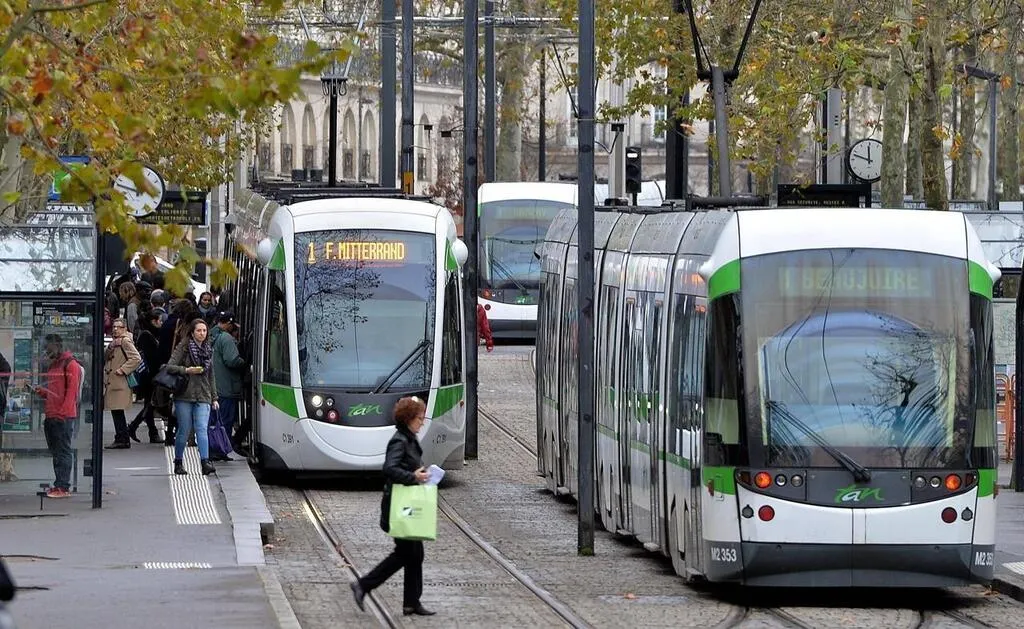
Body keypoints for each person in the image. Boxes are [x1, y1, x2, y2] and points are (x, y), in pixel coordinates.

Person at [351, 396, 435, 617]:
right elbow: (389, 468)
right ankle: (364, 585)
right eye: (419, 418)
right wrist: (413, 477)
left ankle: (411, 602)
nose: (422, 422)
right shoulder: (400, 440)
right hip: (399, 508)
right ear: (408, 419)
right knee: (404, 554)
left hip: (407, 506)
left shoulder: (409, 438)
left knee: (415, 554)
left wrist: (421, 473)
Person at [30, 334, 82, 499]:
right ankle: (59, 484)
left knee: (63, 451)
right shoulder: (54, 365)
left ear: (58, 345)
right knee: (56, 451)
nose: (46, 350)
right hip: (52, 413)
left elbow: (71, 393)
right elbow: (55, 393)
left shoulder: (70, 365)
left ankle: (63, 486)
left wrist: (62, 414)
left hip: (62, 416)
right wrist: (41, 391)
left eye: (48, 347)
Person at [165, 318, 218, 476]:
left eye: (204, 330)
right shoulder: (184, 347)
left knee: (202, 428)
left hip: (203, 394)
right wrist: (186, 370)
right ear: (192, 332)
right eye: (198, 331)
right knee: (184, 429)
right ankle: (178, 461)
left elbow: (211, 375)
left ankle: (205, 462)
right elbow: (169, 366)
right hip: (184, 395)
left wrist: (214, 397)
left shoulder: (209, 349)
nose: (202, 334)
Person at [210, 312, 246, 454]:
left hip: (216, 385)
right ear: (229, 324)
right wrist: (244, 363)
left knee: (216, 420)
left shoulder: (212, 335)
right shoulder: (226, 338)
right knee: (225, 421)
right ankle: (220, 450)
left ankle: (216, 448)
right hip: (227, 386)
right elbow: (231, 360)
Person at [104, 318, 142, 449]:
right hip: (114, 381)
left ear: (124, 329)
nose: (115, 329)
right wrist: (110, 347)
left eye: (118, 327)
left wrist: (123, 369)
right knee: (116, 410)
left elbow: (136, 358)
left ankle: (122, 437)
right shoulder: (116, 342)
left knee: (117, 410)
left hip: (119, 381)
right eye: (114, 327)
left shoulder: (125, 341)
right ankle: (121, 436)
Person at [128, 309, 164, 443]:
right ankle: (137, 427)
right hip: (149, 376)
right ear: (153, 321)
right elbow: (150, 357)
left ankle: (142, 429)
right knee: (151, 404)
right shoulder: (146, 336)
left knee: (150, 404)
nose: (161, 323)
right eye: (160, 320)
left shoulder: (152, 334)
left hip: (152, 375)